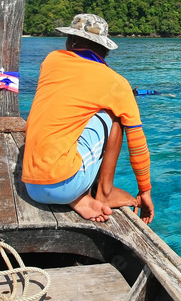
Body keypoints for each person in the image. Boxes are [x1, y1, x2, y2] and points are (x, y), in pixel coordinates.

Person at [22, 13, 155, 224]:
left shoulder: (51, 61)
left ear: (70, 41)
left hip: (31, 185)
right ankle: (104, 191)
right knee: (115, 116)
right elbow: (137, 143)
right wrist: (145, 190)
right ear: (106, 49)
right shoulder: (115, 83)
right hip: (63, 183)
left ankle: (78, 198)